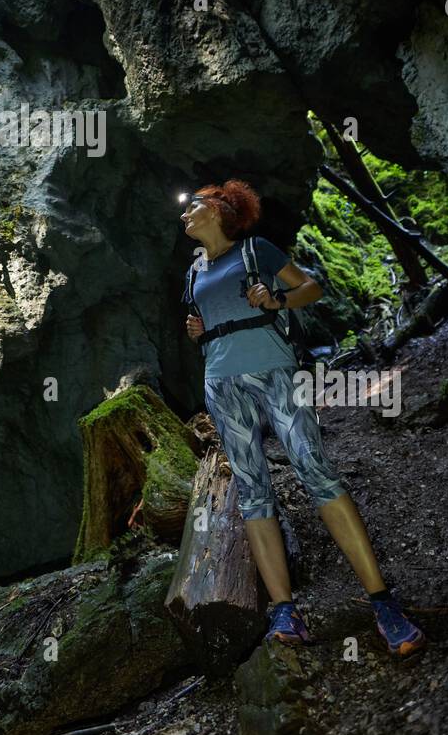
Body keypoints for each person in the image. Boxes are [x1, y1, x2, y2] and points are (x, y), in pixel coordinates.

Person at [181, 178, 426, 660]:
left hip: (275, 375)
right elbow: (208, 327)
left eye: (194, 205)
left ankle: (383, 603)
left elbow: (310, 287)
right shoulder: (193, 273)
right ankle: (284, 611)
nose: (185, 212)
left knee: (317, 473)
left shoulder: (256, 251)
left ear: (220, 210)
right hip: (221, 385)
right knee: (253, 492)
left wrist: (276, 300)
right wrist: (197, 332)